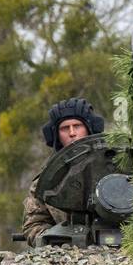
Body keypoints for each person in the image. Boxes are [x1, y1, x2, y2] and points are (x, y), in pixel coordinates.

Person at [21, 98, 106, 244]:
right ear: (56, 136)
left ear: (89, 128)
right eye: (65, 128)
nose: (72, 133)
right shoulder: (47, 180)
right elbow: (33, 225)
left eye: (77, 126)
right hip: (68, 255)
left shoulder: (115, 165)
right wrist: (56, 239)